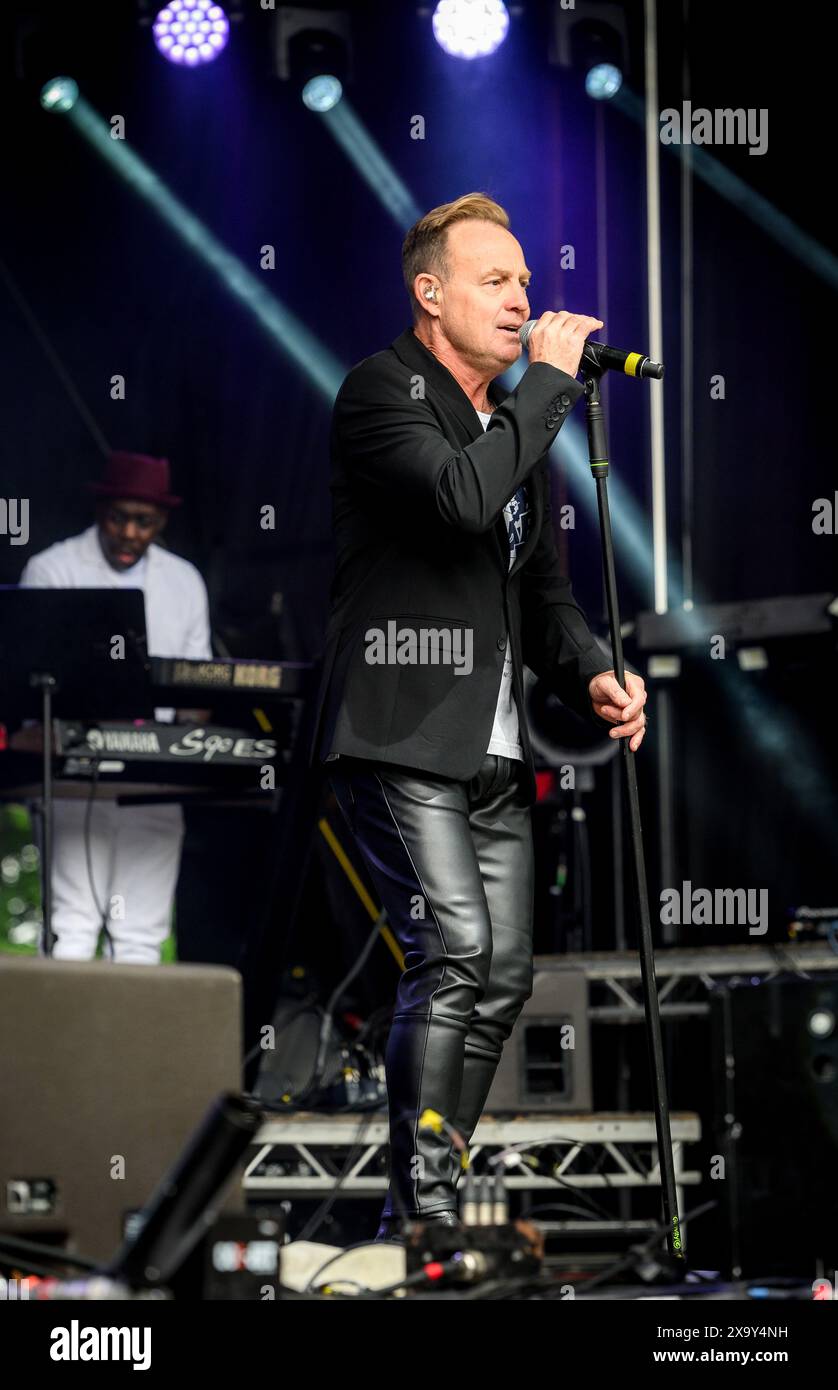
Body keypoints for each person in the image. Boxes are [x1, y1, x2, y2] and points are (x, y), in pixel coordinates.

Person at [310, 192, 647, 1238]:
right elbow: (459, 498)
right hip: (403, 732)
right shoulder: (381, 392)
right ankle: (427, 1217)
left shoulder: (517, 427)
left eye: (526, 284)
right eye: (494, 281)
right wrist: (544, 385)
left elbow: (536, 590)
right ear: (429, 294)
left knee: (498, 979)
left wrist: (590, 666)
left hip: (493, 749)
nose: (521, 299)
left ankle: (414, 1220)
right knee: (451, 948)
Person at [19, 451, 212, 964]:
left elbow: (200, 686)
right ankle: (63, 1046)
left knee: (142, 935)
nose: (129, 532)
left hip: (156, 776)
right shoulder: (52, 569)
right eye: (118, 517)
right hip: (71, 772)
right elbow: (30, 681)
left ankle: (128, 1046)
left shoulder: (185, 581)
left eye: (143, 521)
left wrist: (187, 742)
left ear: (162, 521)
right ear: (100, 510)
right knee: (71, 926)